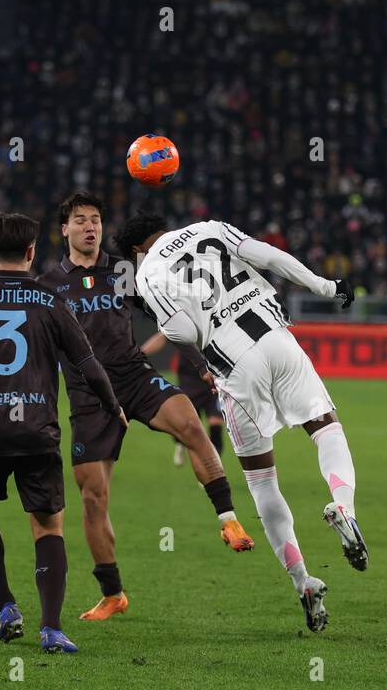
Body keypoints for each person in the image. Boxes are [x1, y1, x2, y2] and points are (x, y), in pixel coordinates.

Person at [115, 211, 362, 633]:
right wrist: (326, 286)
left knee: (262, 480)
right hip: (275, 335)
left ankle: (304, 581)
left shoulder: (149, 273)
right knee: (325, 427)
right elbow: (270, 257)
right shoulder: (210, 229)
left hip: (235, 367)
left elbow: (183, 330)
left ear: (137, 250)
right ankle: (344, 507)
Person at [37, 192, 255, 622]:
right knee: (94, 499)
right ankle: (113, 593)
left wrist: (203, 363)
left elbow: (168, 317)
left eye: (96, 219)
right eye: (80, 220)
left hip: (135, 376)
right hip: (87, 395)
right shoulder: (50, 286)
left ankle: (228, 519)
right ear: (64, 229)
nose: (90, 227)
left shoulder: (122, 272)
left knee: (191, 424)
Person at [0, 213, 124, 654]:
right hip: (37, 429)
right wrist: (113, 405)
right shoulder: (53, 301)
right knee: (47, 524)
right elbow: (87, 365)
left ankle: (5, 606)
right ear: (33, 252)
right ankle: (52, 628)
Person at [140, 330, 226, 467]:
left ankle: (213, 468)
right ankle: (181, 444)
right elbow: (163, 336)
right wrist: (140, 354)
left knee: (215, 424)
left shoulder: (216, 316)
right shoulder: (183, 317)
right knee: (189, 426)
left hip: (213, 380)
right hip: (189, 380)